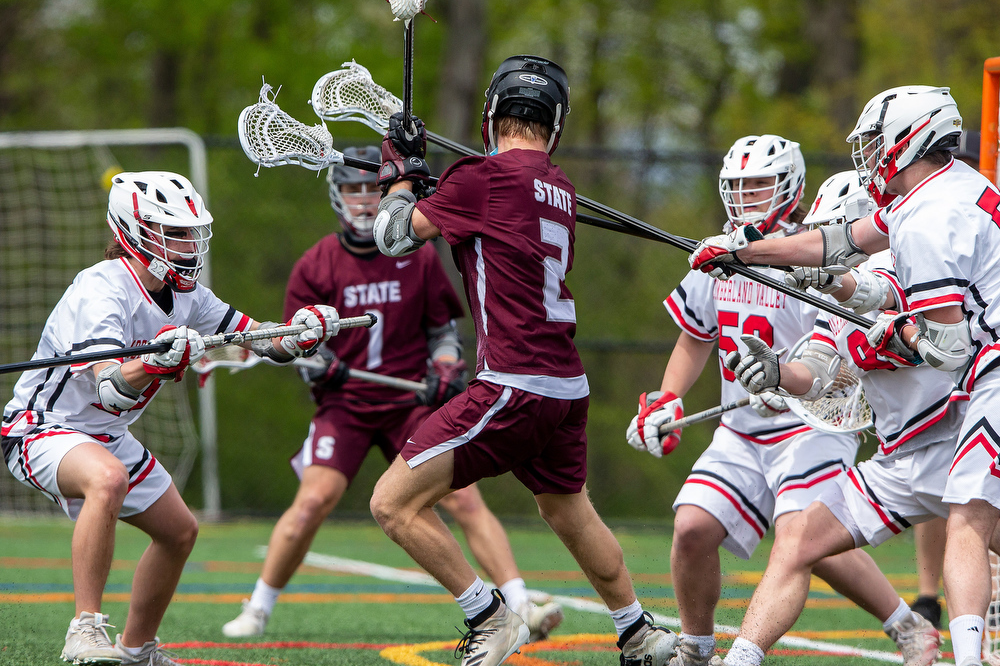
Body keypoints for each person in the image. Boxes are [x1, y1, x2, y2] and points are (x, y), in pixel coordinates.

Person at [367, 55, 678, 666]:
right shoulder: (555, 185)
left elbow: (393, 236)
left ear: (491, 114)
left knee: (391, 503)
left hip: (513, 383)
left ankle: (489, 617)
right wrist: (432, 186)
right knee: (566, 508)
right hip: (566, 387)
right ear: (554, 124)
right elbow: (486, 223)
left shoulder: (479, 178)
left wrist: (399, 177)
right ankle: (638, 631)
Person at [688, 86, 1000, 666]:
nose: (871, 156)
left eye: (880, 143)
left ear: (913, 139)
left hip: (965, 413)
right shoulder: (931, 201)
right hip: (907, 447)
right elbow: (839, 282)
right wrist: (746, 256)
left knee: (967, 526)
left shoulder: (929, 223)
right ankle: (741, 660)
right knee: (801, 541)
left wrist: (892, 334)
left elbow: (948, 346)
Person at [221, 148, 563, 642]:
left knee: (463, 500)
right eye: (351, 191)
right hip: (346, 405)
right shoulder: (316, 265)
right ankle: (258, 607)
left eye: (371, 190)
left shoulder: (417, 256)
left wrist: (447, 367)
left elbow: (442, 328)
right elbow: (293, 343)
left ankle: (518, 600)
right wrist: (321, 367)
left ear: (385, 195)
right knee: (315, 498)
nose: (362, 202)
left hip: (408, 405)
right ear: (337, 197)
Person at [1, 171, 339, 666]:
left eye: (190, 232)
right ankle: (85, 630)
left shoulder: (188, 295)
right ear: (133, 232)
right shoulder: (100, 290)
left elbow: (254, 338)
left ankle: (137, 650)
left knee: (180, 531)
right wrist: (157, 362)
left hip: (105, 435)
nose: (188, 243)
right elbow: (112, 389)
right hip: (40, 427)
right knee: (108, 478)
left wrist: (299, 332)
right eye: (175, 232)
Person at [627, 141, 903, 666]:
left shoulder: (813, 256)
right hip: (741, 431)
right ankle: (698, 649)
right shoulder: (718, 252)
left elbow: (829, 361)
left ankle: (752, 654)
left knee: (799, 539)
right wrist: (666, 400)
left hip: (810, 424)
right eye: (738, 187)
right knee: (691, 527)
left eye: (759, 185)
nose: (746, 197)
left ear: (791, 189)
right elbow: (694, 337)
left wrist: (783, 376)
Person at [703, 169, 955, 666]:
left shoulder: (922, 268)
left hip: (963, 442)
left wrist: (840, 281)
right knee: (797, 542)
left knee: (975, 548)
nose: (825, 251)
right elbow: (818, 373)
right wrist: (775, 373)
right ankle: (741, 660)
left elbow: (890, 300)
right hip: (901, 456)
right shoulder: (834, 298)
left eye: (836, 238)